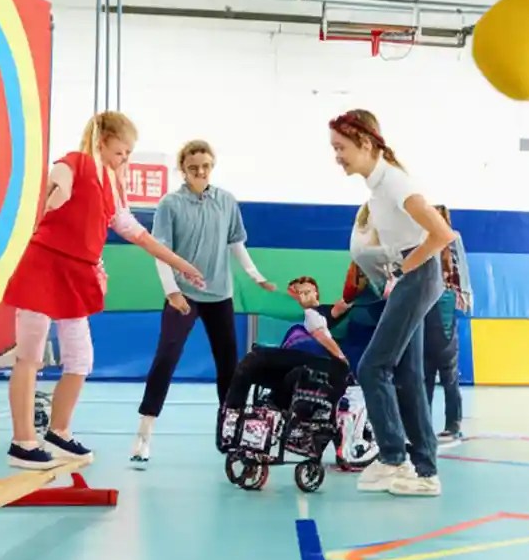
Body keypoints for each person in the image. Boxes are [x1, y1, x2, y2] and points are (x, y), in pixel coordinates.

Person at [2, 111, 204, 470]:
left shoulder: (113, 186)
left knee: (81, 359)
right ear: (101, 142)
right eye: (121, 151)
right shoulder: (77, 163)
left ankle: (58, 432)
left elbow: (137, 234)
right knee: (29, 355)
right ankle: (22, 442)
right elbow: (58, 177)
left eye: (129, 154)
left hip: (76, 276)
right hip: (44, 265)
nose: (125, 159)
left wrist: (181, 263)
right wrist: (57, 190)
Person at [331, 108, 455, 497]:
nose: (337, 155)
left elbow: (442, 234)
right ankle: (425, 472)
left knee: (372, 367)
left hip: (418, 278)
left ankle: (392, 458)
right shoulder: (378, 185)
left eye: (341, 147)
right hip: (413, 278)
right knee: (407, 375)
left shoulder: (396, 184)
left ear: (366, 143)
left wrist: (403, 270)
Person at [130, 139, 274, 466]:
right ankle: (144, 432)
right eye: (193, 167)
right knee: (166, 356)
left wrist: (255, 275)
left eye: (206, 166)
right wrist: (172, 292)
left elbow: (236, 243)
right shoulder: (170, 204)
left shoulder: (226, 201)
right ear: (183, 168)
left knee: (229, 364)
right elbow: (159, 251)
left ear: (213, 166)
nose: (200, 172)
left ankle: (231, 429)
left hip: (219, 294)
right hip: (183, 293)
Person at [220, 275, 351, 415]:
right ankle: (232, 415)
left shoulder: (322, 312)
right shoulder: (289, 312)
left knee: (295, 374)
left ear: (317, 293)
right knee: (250, 362)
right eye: (299, 291)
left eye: (308, 291)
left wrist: (342, 359)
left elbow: (345, 304)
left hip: (316, 361)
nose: (303, 294)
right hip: (288, 362)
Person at [424, 205, 472, 442]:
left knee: (449, 374)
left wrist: (464, 294)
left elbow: (461, 266)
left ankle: (453, 424)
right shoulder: (422, 241)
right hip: (425, 305)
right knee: (424, 374)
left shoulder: (453, 240)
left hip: (445, 302)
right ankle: (422, 423)